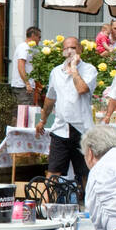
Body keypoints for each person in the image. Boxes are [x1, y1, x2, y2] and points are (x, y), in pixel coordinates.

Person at [36, 36, 98, 187]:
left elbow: (82, 89)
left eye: (73, 48)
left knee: (85, 173)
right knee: (53, 172)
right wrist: (43, 120)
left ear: (80, 50)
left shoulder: (89, 69)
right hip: (61, 128)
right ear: (62, 52)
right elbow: (50, 98)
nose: (70, 51)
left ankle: (90, 205)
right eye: (66, 48)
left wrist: (74, 68)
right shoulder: (56, 72)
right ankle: (46, 206)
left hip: (82, 129)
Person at [10, 26, 42, 106]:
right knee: (25, 112)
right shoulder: (24, 47)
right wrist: (27, 83)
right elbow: (21, 66)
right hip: (23, 87)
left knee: (19, 114)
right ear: (33, 36)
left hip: (23, 86)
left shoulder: (29, 48)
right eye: (39, 37)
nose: (40, 39)